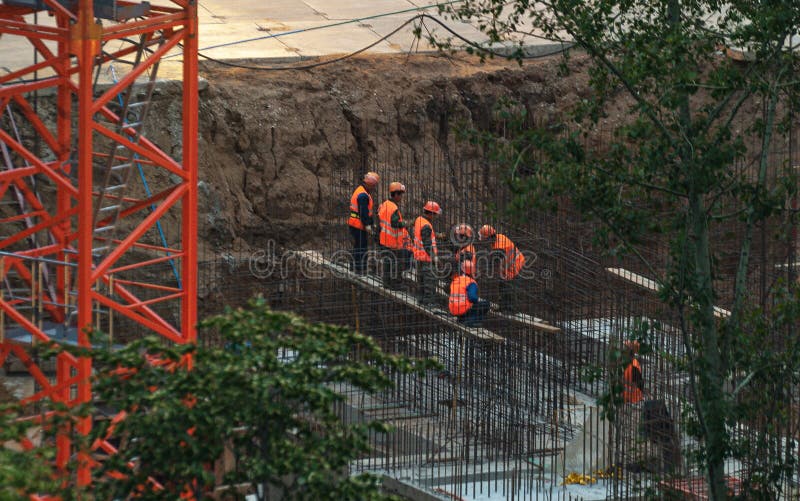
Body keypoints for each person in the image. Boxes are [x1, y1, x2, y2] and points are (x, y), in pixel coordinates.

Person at [478, 224, 525, 312]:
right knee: (503, 285)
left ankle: (511, 309)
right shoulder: (498, 238)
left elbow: (494, 261)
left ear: (488, 238)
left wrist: (484, 269)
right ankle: (504, 307)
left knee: (508, 287)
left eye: (484, 239)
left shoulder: (500, 246)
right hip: (509, 265)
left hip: (516, 264)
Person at [377, 182, 412, 288]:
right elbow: (395, 223)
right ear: (395, 194)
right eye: (400, 194)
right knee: (396, 264)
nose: (401, 197)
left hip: (384, 239)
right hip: (392, 241)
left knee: (387, 263)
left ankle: (386, 283)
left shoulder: (385, 204)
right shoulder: (393, 208)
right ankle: (395, 284)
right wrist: (406, 223)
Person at [348, 171, 379, 274]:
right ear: (369, 184)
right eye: (373, 186)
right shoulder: (363, 195)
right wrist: (367, 225)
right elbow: (363, 212)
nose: (374, 188)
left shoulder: (361, 191)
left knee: (358, 246)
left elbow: (367, 212)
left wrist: (371, 223)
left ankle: (355, 267)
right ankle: (360, 269)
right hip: (358, 225)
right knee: (361, 248)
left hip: (355, 224)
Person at [411, 201, 441, 306]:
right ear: (431, 214)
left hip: (419, 256)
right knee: (430, 281)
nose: (435, 217)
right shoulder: (426, 226)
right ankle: (429, 303)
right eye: (435, 214)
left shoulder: (419, 220)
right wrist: (434, 258)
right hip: (426, 258)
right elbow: (427, 244)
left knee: (421, 281)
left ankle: (421, 300)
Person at [449, 261, 490, 327]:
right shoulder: (471, 282)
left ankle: (461, 319)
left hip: (453, 309)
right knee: (485, 304)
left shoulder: (456, 280)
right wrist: (478, 300)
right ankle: (471, 322)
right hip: (462, 309)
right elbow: (472, 298)